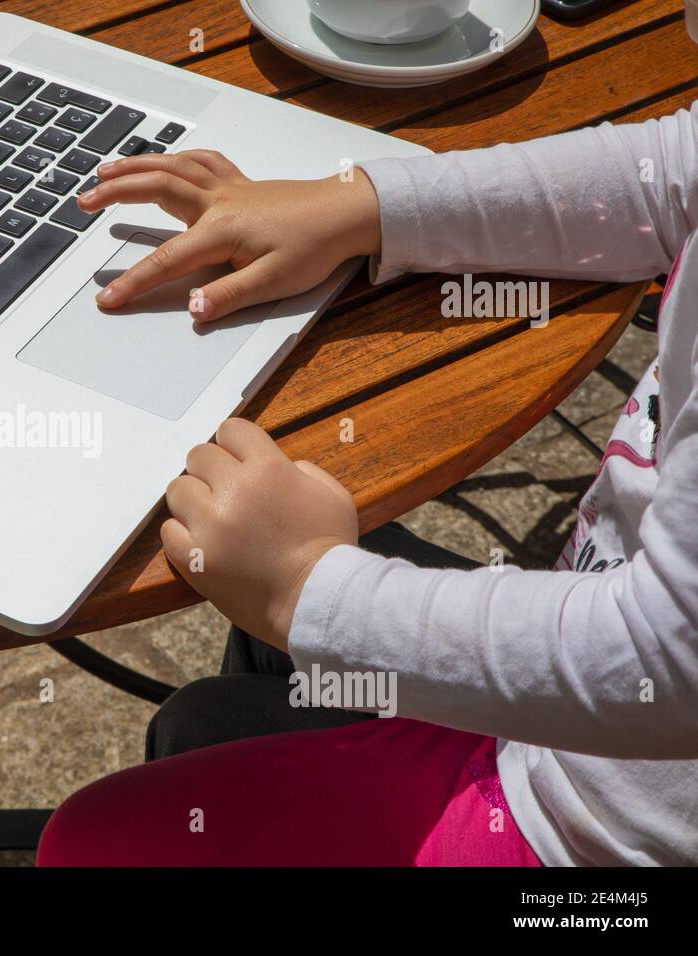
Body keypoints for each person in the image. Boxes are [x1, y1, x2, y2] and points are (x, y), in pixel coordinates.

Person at [36, 100, 698, 866]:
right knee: (221, 702)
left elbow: (667, 663)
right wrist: (361, 208)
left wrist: (307, 591)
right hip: (597, 696)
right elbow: (671, 174)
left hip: (583, 830)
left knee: (93, 845)